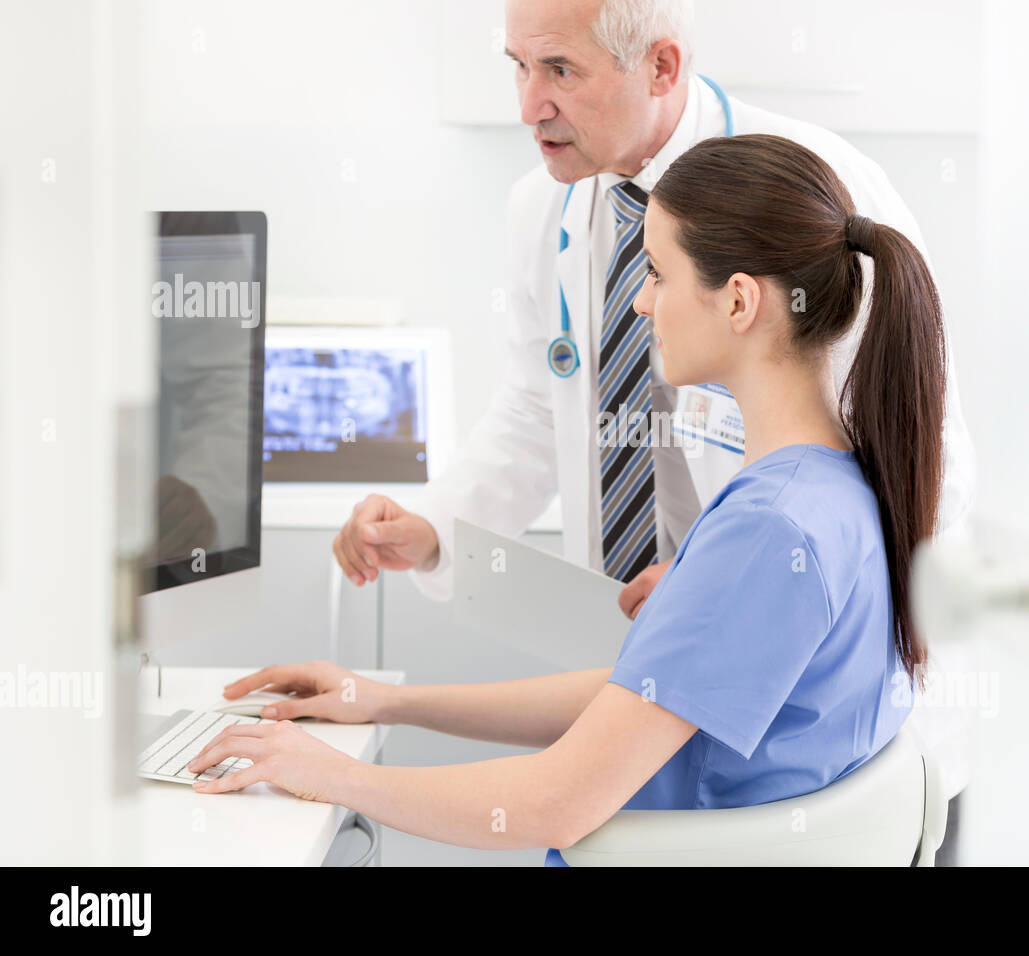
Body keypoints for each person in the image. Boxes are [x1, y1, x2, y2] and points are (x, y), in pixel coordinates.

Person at [189, 132, 949, 865]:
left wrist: (332, 776)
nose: (642, 303)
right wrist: (382, 701)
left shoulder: (766, 532)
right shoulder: (838, 489)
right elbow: (639, 703)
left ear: (740, 302)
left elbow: (558, 799)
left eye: (656, 273)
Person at [331, 0, 975, 858]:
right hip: (682, 679)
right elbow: (537, 401)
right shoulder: (544, 207)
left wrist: (735, 580)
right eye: (516, 67)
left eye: (560, 70)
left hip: (777, 734)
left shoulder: (817, 192)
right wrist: (434, 537)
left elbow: (920, 440)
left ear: (661, 67)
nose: (529, 104)